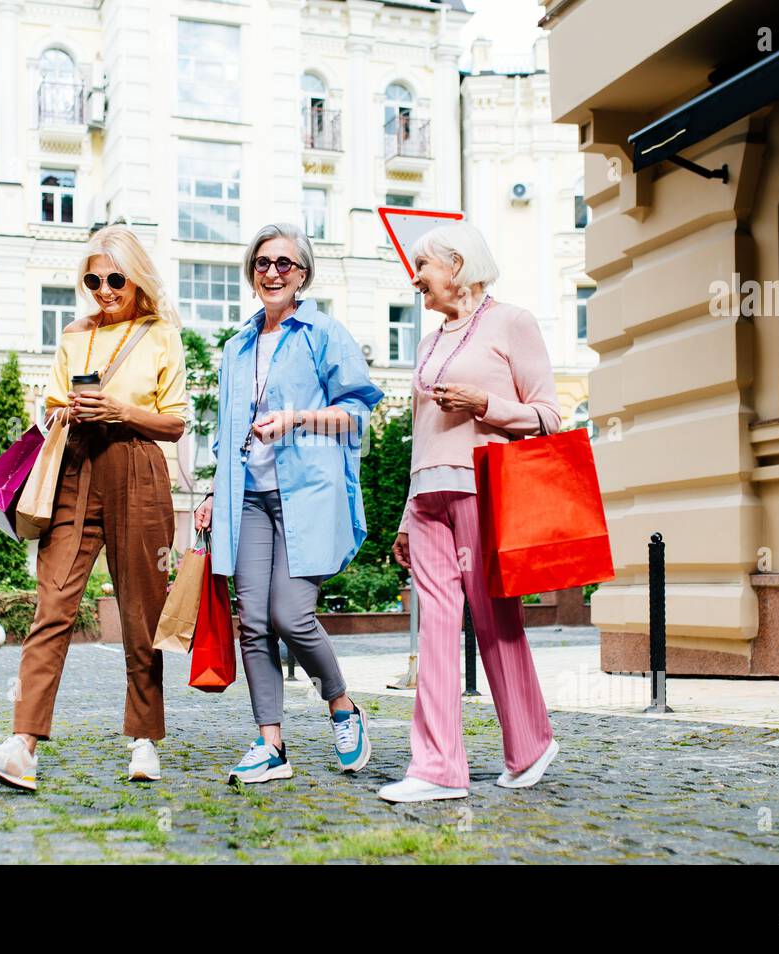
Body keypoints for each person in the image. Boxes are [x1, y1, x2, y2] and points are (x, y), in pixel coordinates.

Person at [0, 226, 189, 791]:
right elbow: (52, 401)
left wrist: (120, 410)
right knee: (53, 603)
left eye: (115, 278)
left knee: (142, 609)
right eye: (93, 279)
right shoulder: (73, 335)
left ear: (136, 277)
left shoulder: (160, 334)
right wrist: (64, 411)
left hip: (137, 465)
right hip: (74, 466)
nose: (104, 290)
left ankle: (144, 738)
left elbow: (176, 420)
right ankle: (22, 745)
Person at [378, 221, 561, 804]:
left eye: (423, 265)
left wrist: (485, 404)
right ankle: (436, 768)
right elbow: (419, 436)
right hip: (428, 496)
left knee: (494, 620)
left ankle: (530, 744)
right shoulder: (429, 343)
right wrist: (407, 515)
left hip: (484, 488)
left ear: (456, 265)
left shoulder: (513, 322)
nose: (416, 277)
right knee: (435, 624)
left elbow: (549, 417)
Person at [193, 223, 383, 784]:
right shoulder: (236, 346)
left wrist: (297, 420)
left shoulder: (323, 333)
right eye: (262, 263)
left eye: (284, 263)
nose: (272, 272)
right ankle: (270, 744)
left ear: (303, 274)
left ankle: (342, 706)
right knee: (252, 620)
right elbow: (227, 432)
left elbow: (359, 419)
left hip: (307, 495)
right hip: (246, 497)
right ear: (252, 273)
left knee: (290, 615)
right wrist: (211, 491)